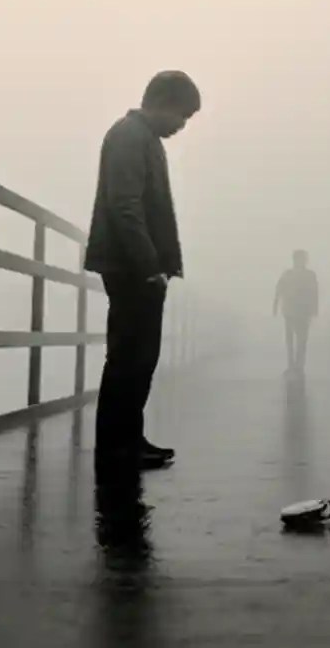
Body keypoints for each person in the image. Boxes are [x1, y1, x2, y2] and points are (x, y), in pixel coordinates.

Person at [85, 70, 201, 472]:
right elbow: (125, 205)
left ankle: (127, 439)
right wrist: (150, 266)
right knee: (130, 356)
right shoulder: (130, 137)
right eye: (181, 116)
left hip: (135, 264)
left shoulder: (139, 138)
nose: (181, 126)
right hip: (132, 266)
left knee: (137, 356)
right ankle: (118, 446)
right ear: (163, 103)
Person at [272, 249, 319, 375]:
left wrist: (314, 309)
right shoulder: (289, 274)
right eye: (299, 259)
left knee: (301, 339)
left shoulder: (308, 275)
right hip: (290, 311)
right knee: (291, 339)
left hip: (302, 311)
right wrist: (275, 305)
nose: (300, 261)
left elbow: (314, 293)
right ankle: (293, 364)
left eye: (301, 259)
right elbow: (279, 289)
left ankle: (298, 364)